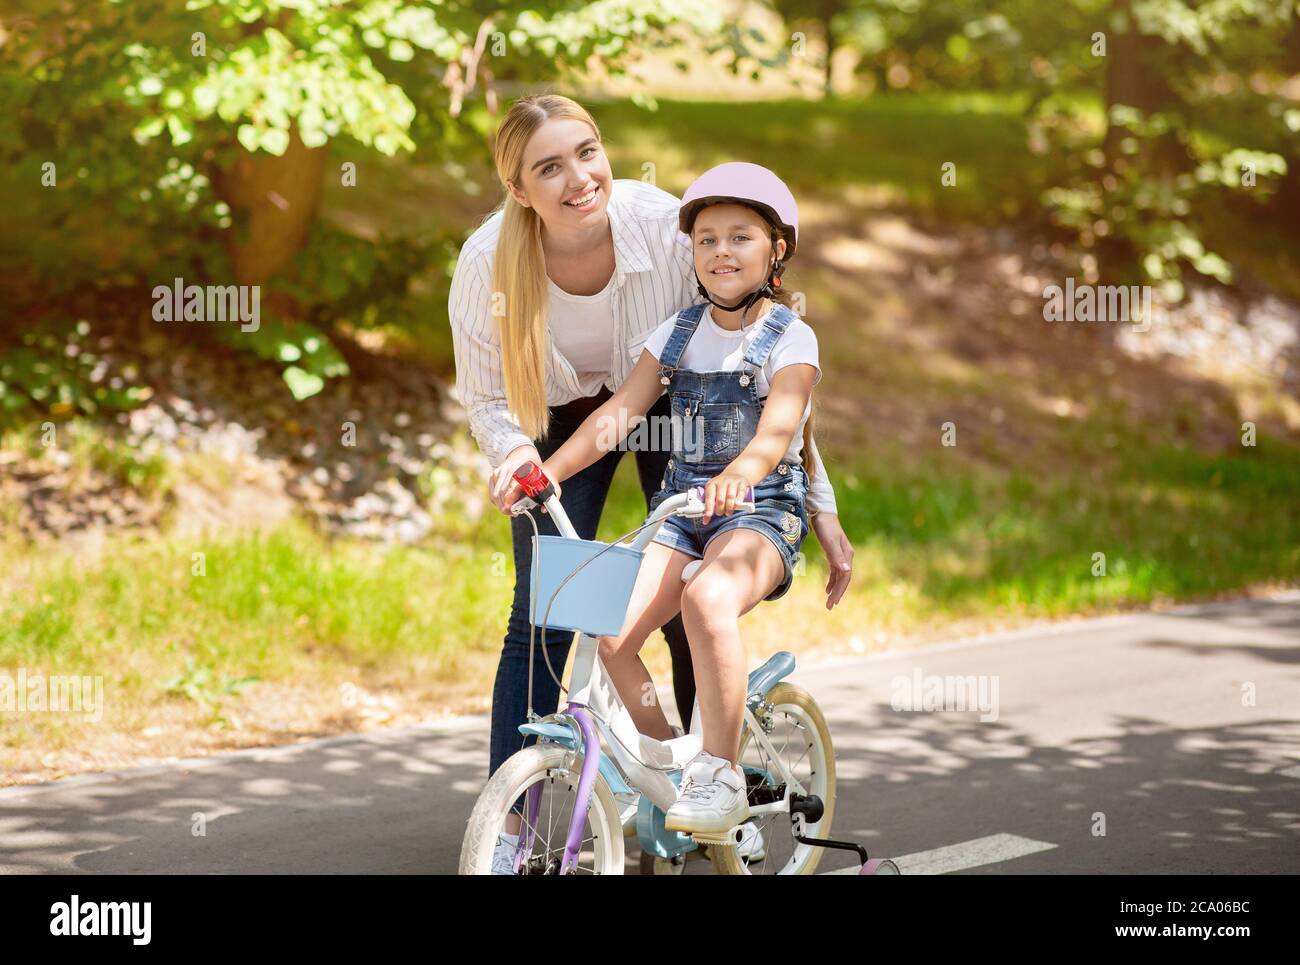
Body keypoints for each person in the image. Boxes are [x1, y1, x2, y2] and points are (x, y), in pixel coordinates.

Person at [446, 94, 855, 853]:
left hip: (696, 431)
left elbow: (781, 414)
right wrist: (531, 468)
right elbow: (511, 401)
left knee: (695, 600)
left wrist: (820, 507)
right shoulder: (488, 267)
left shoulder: (670, 236)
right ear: (518, 190)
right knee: (554, 610)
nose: (578, 178)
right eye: (549, 168)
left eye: (588, 152)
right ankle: (523, 820)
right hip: (566, 420)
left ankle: (716, 777)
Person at [503, 160, 819, 835]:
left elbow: (778, 431)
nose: (721, 252)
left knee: (708, 596)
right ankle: (671, 764)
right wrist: (547, 471)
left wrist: (743, 470)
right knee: (609, 630)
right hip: (683, 512)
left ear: (775, 250)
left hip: (760, 512)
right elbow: (618, 413)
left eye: (740, 237)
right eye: (706, 239)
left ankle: (721, 770)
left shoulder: (789, 337)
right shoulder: (677, 332)